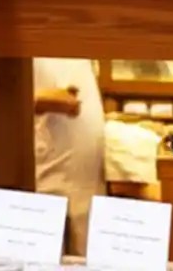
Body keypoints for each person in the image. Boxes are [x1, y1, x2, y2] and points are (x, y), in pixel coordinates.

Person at [34, 58, 105, 257]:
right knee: (46, 256)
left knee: (86, 253)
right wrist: (40, 100)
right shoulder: (20, 34)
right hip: (47, 168)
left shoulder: (78, 39)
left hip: (86, 170)